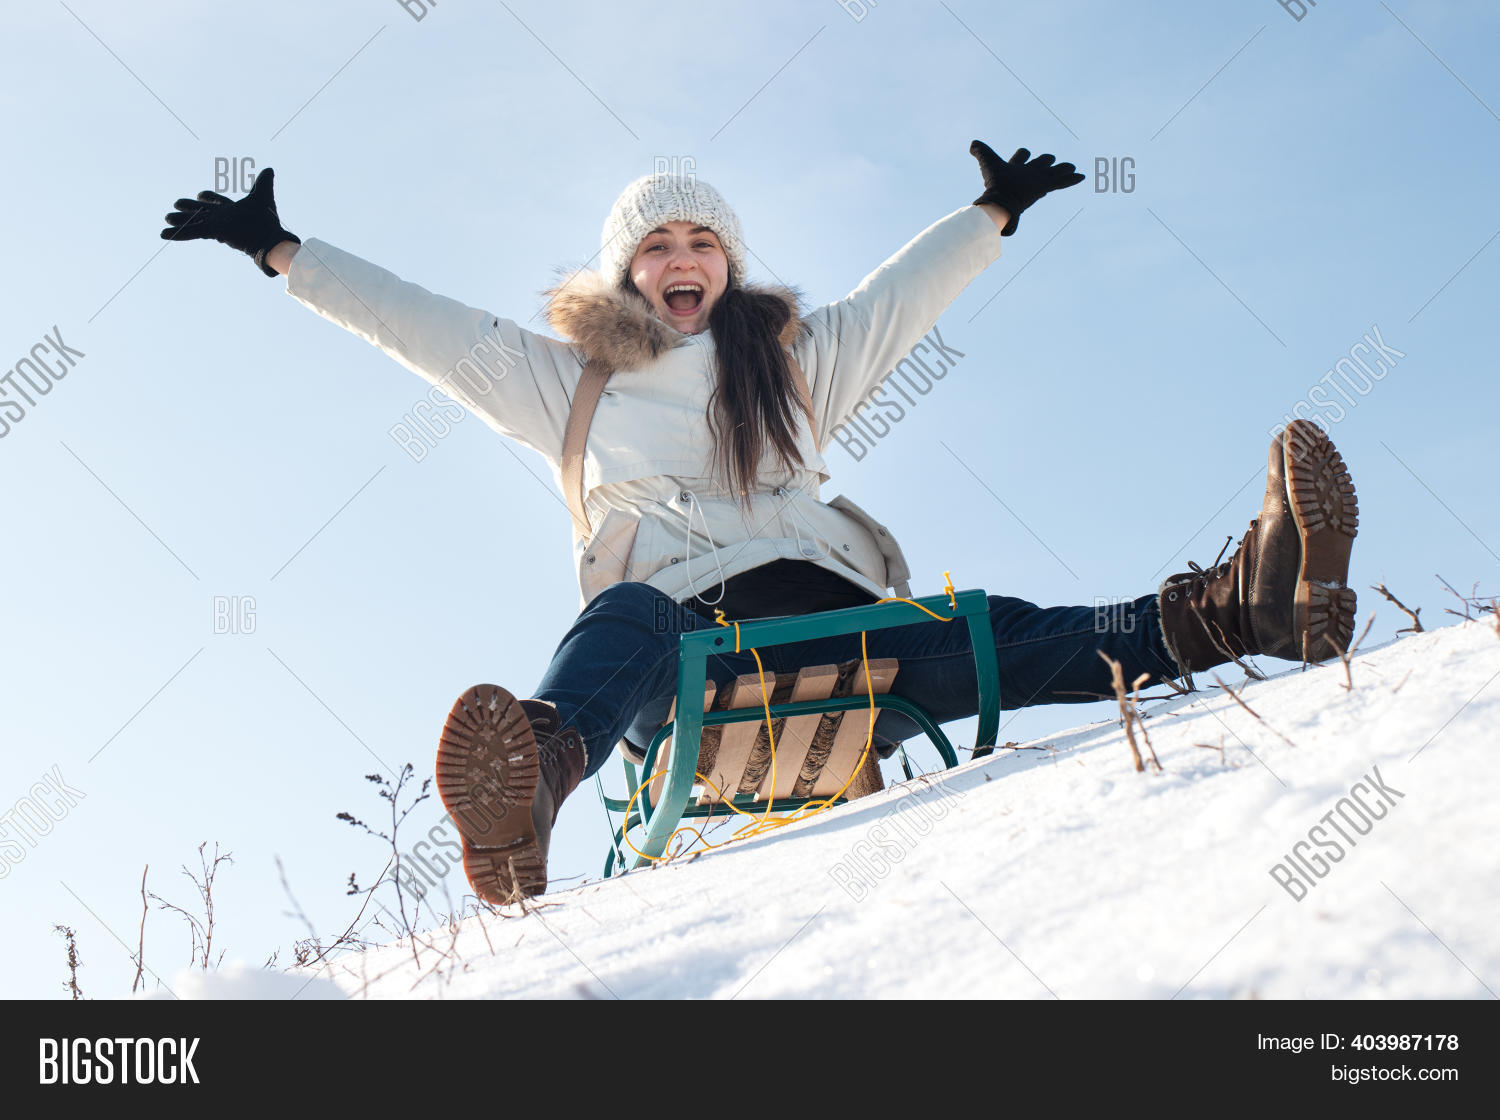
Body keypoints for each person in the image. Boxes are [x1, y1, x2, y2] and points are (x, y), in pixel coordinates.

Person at [160, 142, 1358, 903]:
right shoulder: (567, 378)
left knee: (990, 626)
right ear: (625, 273)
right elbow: (418, 325)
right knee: (622, 609)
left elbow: (896, 302)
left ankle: (1249, 607)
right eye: (657, 246)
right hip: (679, 655)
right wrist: (282, 251)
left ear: (726, 263)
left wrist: (986, 215)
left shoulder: (788, 364)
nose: (682, 259)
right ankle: (536, 780)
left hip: (841, 637)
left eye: (701, 242)